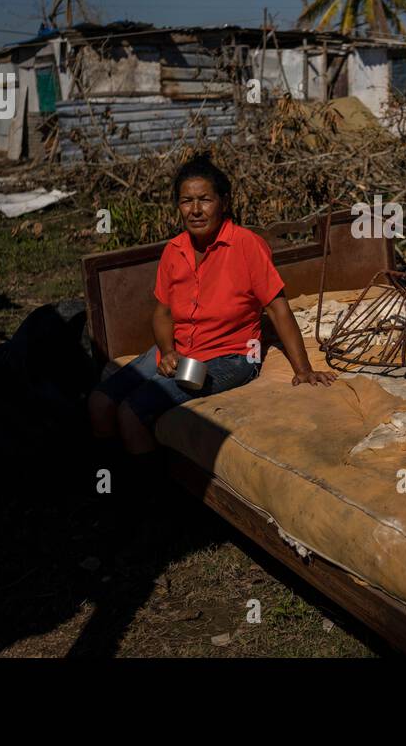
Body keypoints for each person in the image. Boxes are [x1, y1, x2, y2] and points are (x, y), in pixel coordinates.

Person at [87, 153, 337, 549]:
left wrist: (302, 368)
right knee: (100, 402)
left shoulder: (246, 246)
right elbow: (162, 312)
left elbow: (278, 308)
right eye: (187, 200)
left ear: (224, 202)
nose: (195, 209)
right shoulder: (175, 250)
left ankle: (156, 517)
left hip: (231, 356)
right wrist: (166, 351)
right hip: (179, 347)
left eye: (205, 199)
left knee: (133, 411)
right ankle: (110, 492)